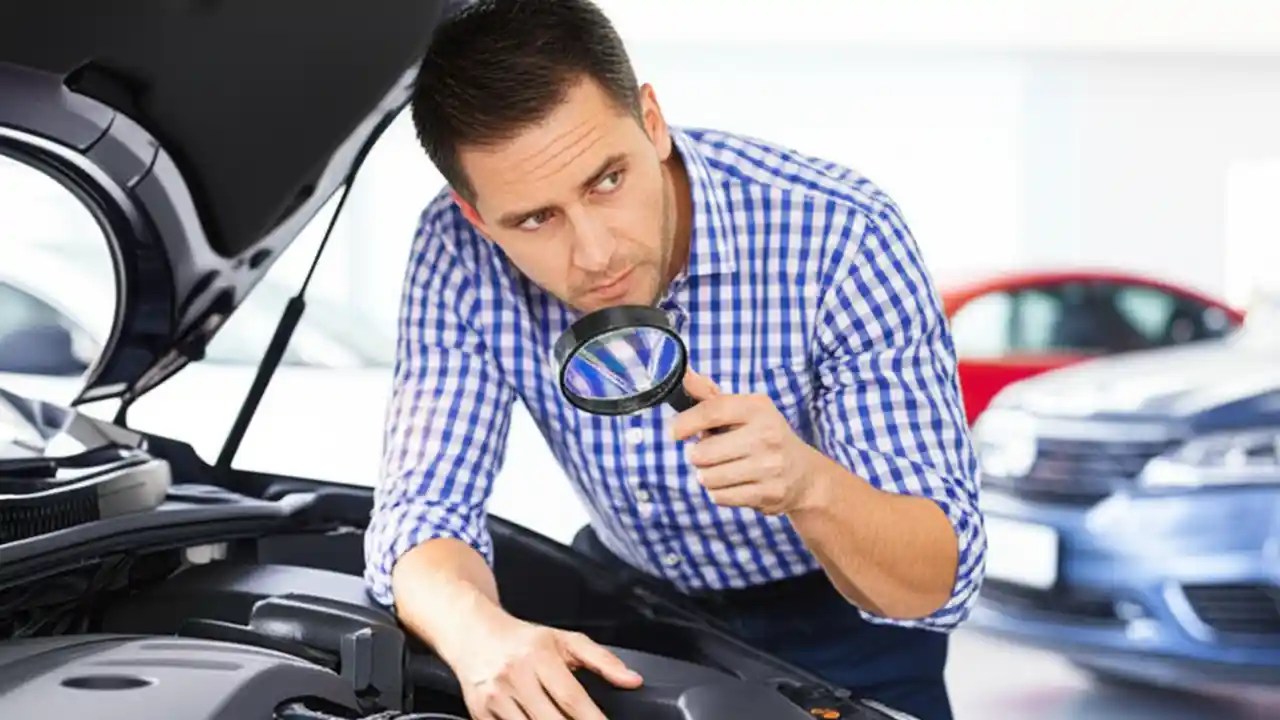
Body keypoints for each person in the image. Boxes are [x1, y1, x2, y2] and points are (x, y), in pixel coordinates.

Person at [364, 1, 985, 718]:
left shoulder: (841, 234)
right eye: (536, 219)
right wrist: (477, 637)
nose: (595, 256)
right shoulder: (457, 248)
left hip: (845, 625)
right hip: (632, 608)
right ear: (476, 215)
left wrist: (808, 483)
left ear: (652, 122)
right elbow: (424, 509)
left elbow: (935, 581)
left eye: (607, 180)